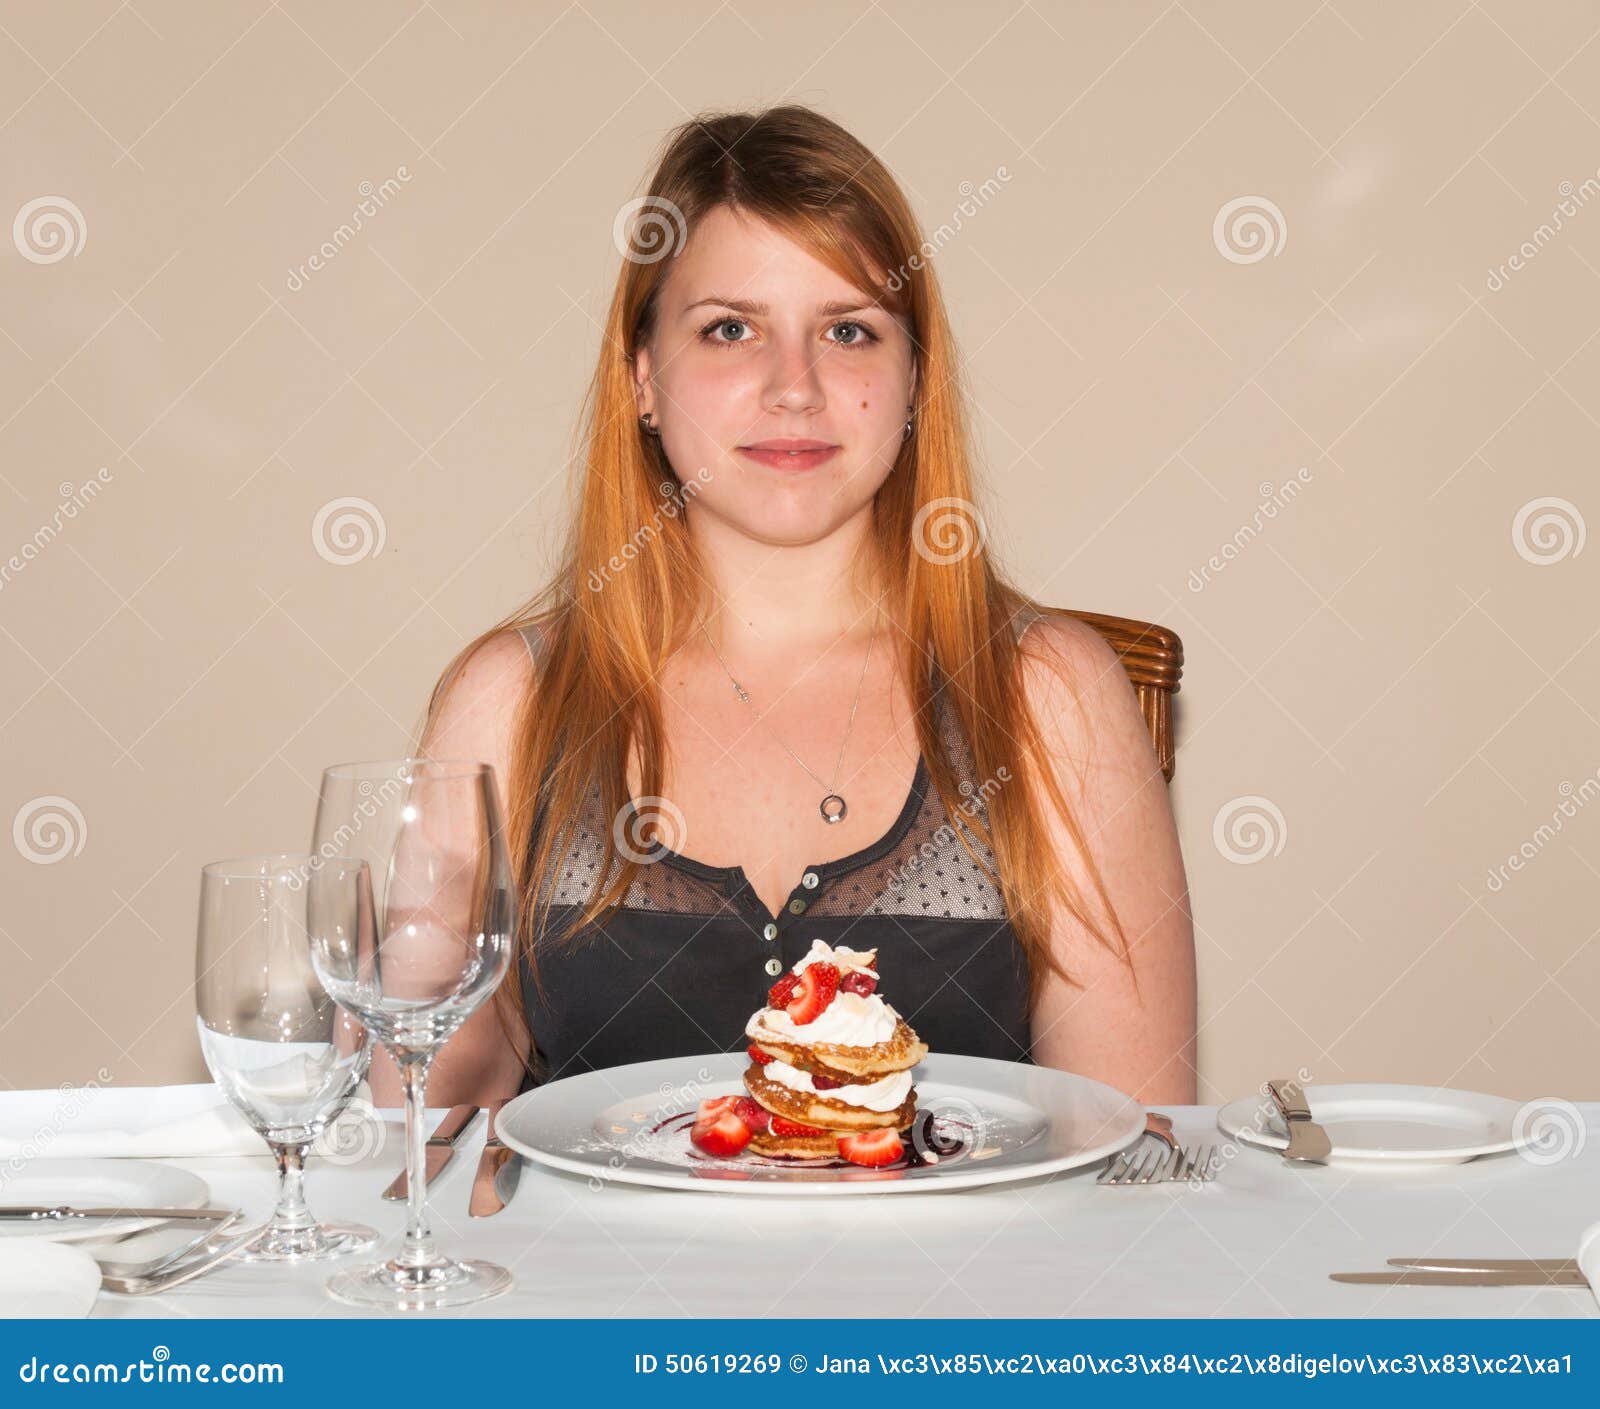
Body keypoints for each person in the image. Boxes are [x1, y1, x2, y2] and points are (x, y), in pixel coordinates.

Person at [377, 104, 1196, 1110]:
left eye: (847, 330)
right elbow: (417, 1131)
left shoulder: (1047, 695)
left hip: (967, 1276)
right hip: (592, 1276)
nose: (794, 387)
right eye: (730, 329)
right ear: (641, 378)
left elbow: (1132, 1155)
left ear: (911, 382)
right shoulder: (510, 697)